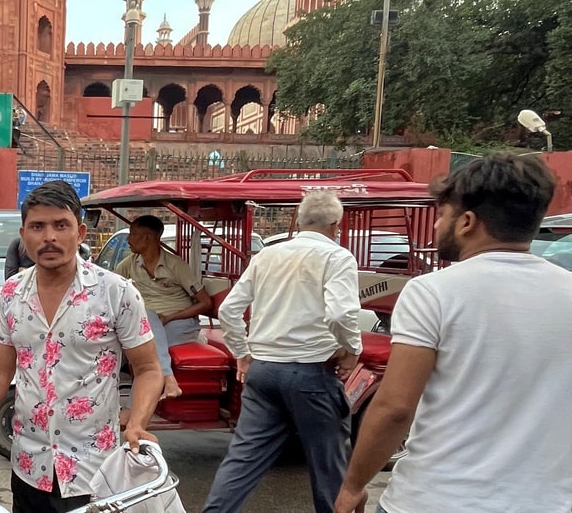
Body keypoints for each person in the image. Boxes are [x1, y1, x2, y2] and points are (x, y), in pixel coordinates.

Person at [0, 181, 164, 513]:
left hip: (95, 471)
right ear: (23, 236)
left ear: (81, 232)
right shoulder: (12, 292)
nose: (49, 237)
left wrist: (138, 422)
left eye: (61, 225)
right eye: (38, 227)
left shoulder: (117, 292)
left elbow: (148, 369)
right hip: (29, 467)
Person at [334, 154, 572, 513]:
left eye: (442, 215)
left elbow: (396, 407)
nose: (436, 226)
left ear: (467, 222)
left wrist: (353, 484)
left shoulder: (433, 292)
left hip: (435, 499)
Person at [203, 190, 362, 513]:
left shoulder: (266, 257)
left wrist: (242, 353)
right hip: (311, 372)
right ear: (335, 225)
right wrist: (351, 349)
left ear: (298, 222)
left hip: (263, 372)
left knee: (243, 460)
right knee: (328, 467)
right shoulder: (337, 257)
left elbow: (230, 310)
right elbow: (340, 314)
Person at [113, 215, 214, 400]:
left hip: (180, 325)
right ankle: (164, 382)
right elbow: (112, 287)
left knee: (146, 349)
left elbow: (205, 303)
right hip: (150, 324)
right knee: (145, 320)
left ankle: (164, 381)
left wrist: (170, 318)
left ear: (147, 238)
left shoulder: (175, 265)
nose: (128, 240)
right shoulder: (130, 264)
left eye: (133, 234)